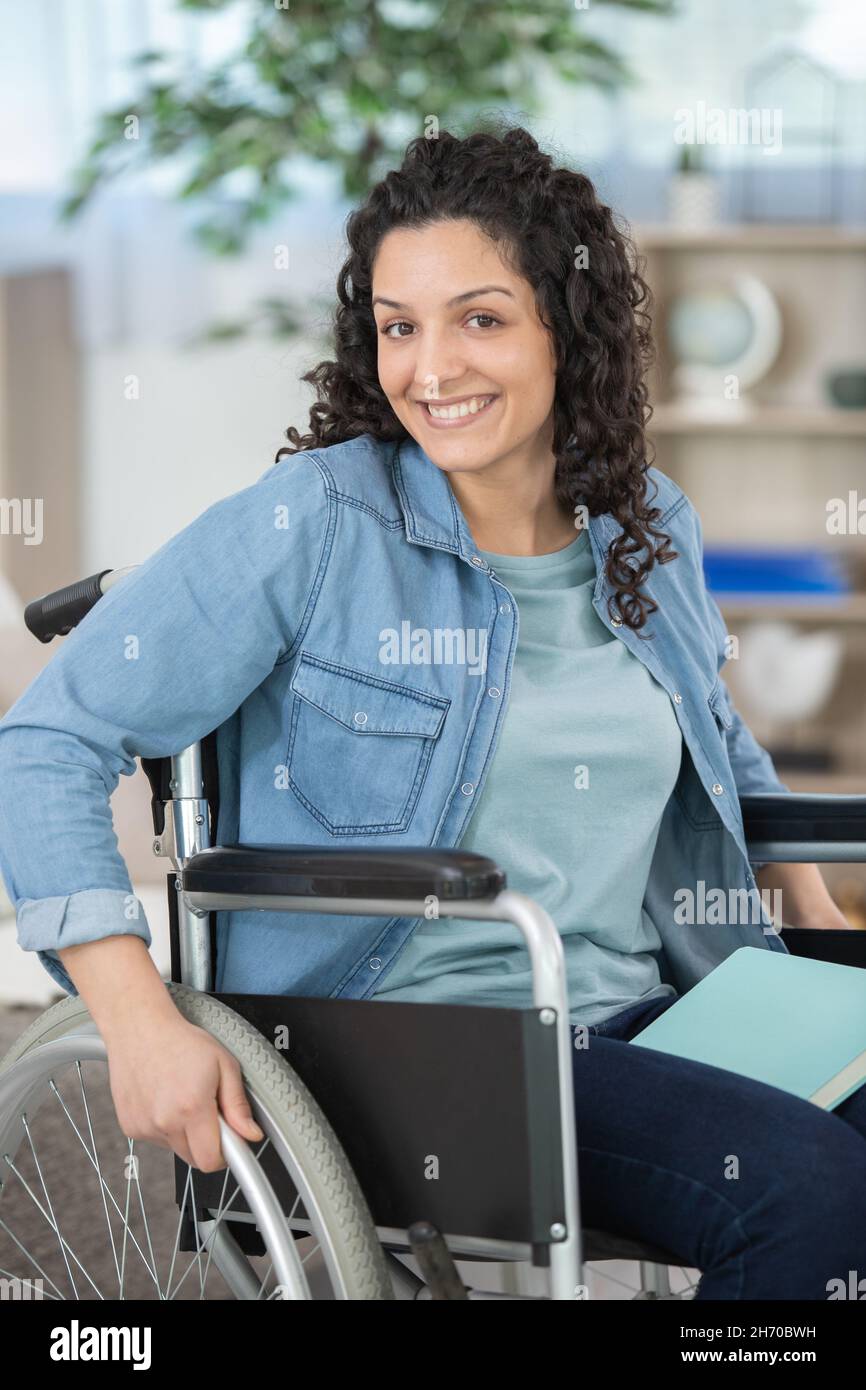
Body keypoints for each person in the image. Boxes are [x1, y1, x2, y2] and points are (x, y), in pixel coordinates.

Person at [0, 125, 863, 1299]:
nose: (432, 368)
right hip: (413, 1049)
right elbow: (48, 738)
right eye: (400, 326)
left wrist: (806, 921)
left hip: (640, 1013)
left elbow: (710, 728)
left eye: (480, 318)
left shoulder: (642, 522)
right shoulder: (314, 524)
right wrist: (139, 1014)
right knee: (805, 1188)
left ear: (569, 326)